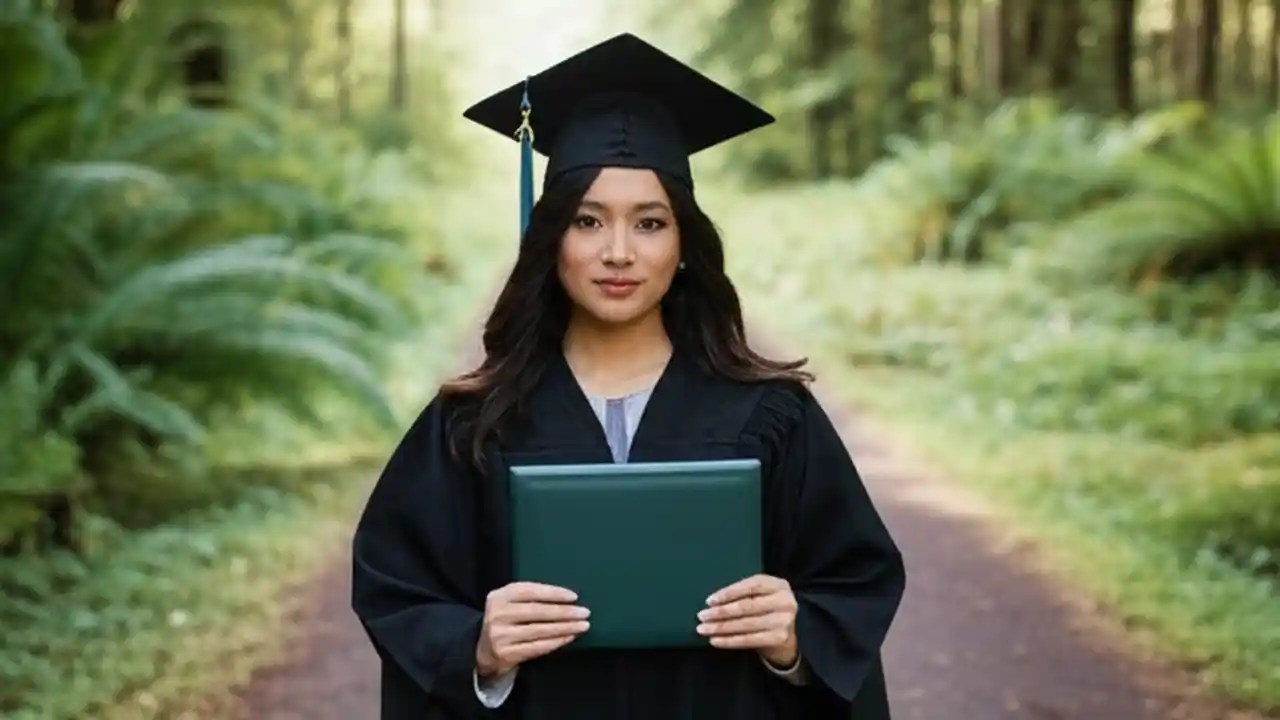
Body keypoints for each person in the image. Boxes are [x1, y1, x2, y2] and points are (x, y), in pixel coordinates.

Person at [350, 33, 906, 719]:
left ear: (683, 245)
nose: (618, 253)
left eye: (649, 223)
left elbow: (854, 584)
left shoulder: (770, 416)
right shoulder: (475, 423)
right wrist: (477, 646)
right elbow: (396, 587)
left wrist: (794, 639)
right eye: (587, 221)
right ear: (551, 238)